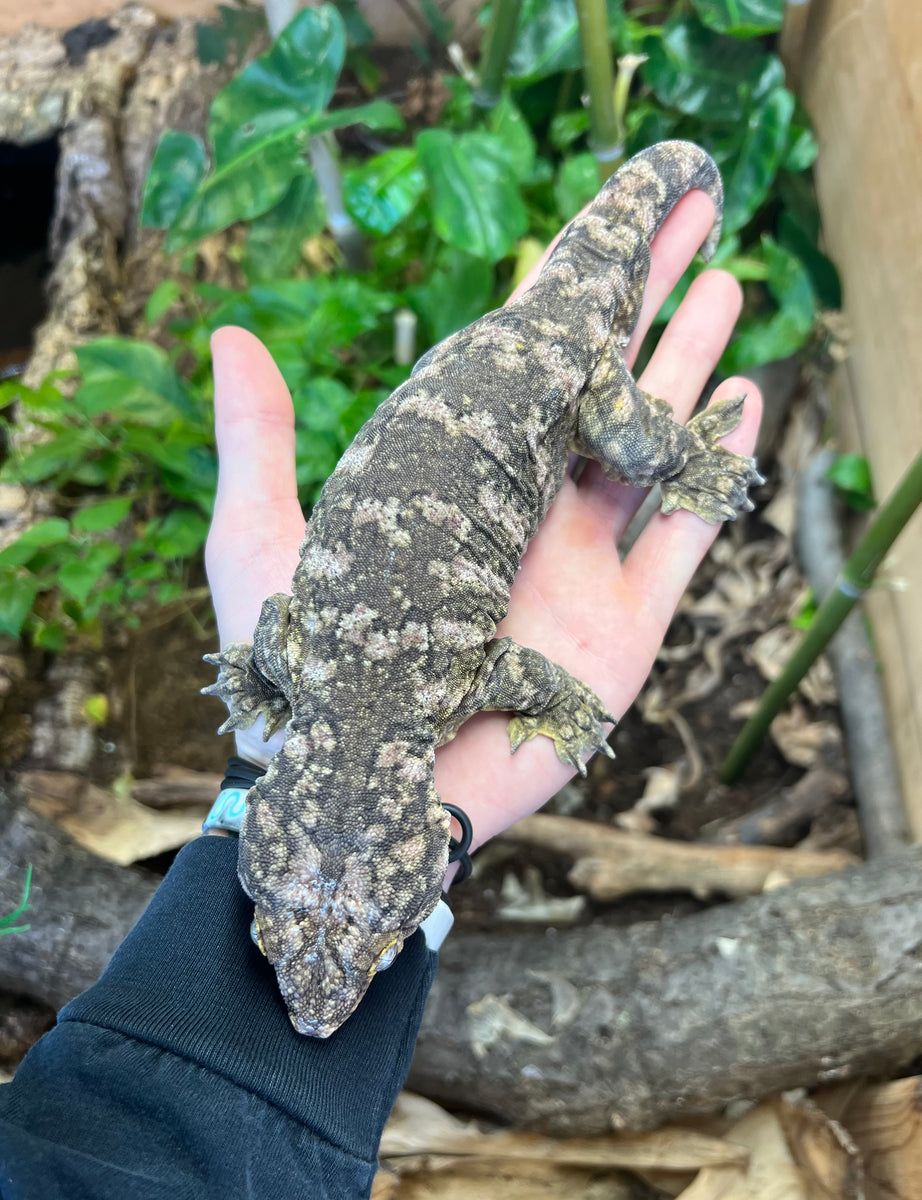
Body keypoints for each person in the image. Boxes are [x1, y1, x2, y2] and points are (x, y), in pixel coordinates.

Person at [0, 189, 760, 1199]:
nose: (317, 1001)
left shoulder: (449, 693)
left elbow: (535, 677)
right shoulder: (309, 669)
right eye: (374, 943)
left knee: (646, 453)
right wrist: (257, 678)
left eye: (277, 926)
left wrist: (572, 717)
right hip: (484, 367)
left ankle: (685, 437)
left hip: (557, 376)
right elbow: (276, 636)